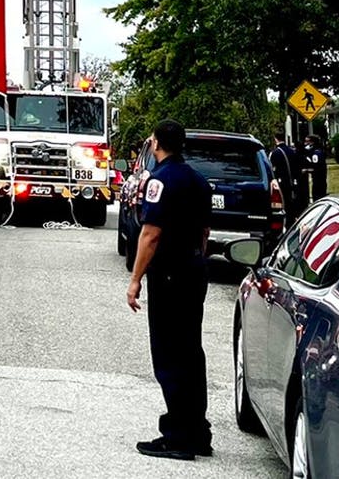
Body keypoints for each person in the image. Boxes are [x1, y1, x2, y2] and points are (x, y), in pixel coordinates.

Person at [127, 120, 213, 460]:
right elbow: (205, 232)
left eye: (151, 139)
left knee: (169, 355)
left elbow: (150, 234)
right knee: (192, 353)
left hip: (169, 276)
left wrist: (135, 279)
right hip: (194, 270)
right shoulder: (199, 180)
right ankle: (197, 431)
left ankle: (178, 436)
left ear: (157, 143)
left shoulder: (159, 181)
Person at [269, 133, 304, 221]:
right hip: (293, 181)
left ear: (275, 139)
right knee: (291, 203)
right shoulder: (292, 151)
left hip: (281, 182)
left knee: (283, 202)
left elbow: (273, 169)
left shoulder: (275, 153)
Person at [300, 132, 328, 202]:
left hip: (318, 181)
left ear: (312, 142)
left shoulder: (316, 154)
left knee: (317, 198)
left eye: (307, 142)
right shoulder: (318, 151)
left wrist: (306, 170)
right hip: (319, 180)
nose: (305, 144)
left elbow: (316, 168)